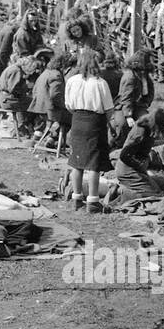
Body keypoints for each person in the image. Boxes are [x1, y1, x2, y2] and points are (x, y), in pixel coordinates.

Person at [63, 48, 115, 213]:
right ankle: (93, 200)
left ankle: (76, 197)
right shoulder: (100, 83)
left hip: (77, 120)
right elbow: (109, 108)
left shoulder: (72, 80)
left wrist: (79, 115)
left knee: (76, 162)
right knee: (94, 163)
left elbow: (68, 105)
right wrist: (104, 121)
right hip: (94, 122)